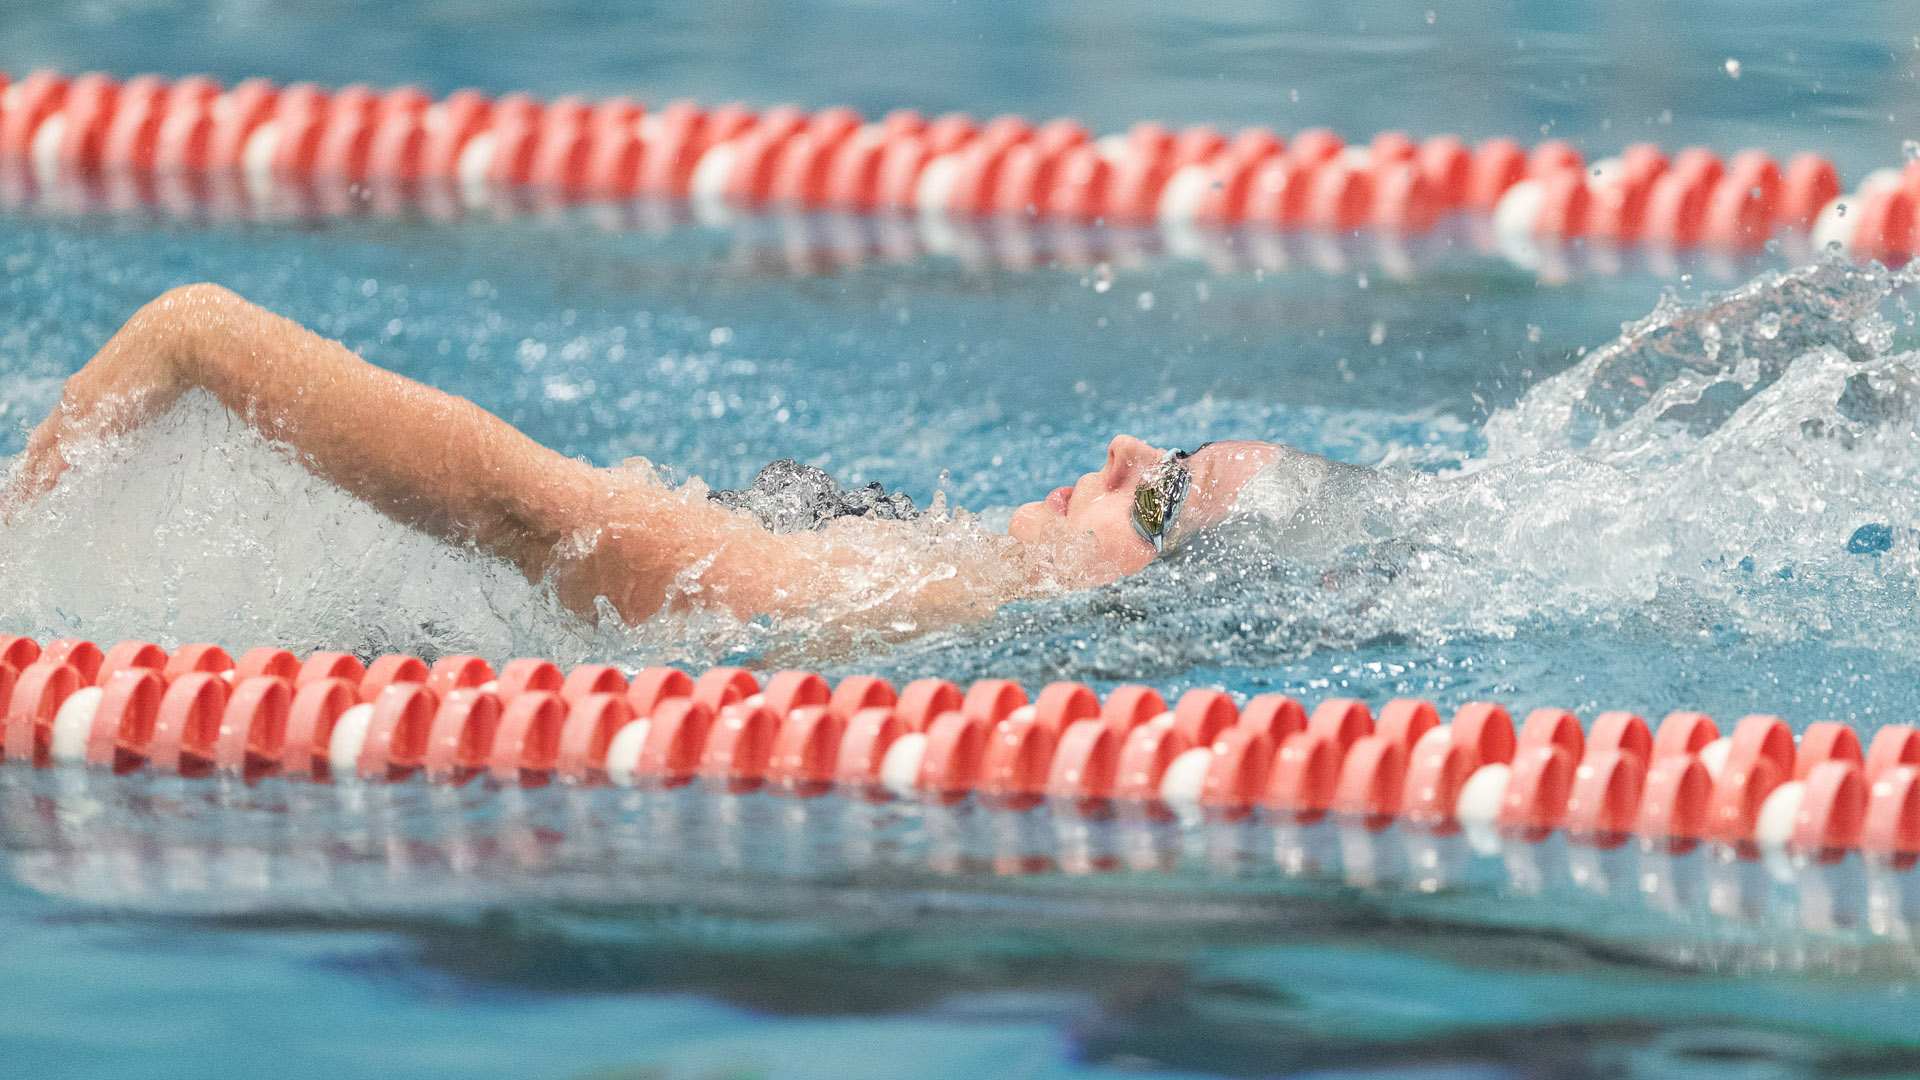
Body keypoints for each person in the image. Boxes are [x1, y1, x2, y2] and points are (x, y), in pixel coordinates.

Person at [9, 284, 1300, 630]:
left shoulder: (819, 604)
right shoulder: (927, 578)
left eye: (1164, 492)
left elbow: (515, 505)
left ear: (1135, 590)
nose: (1131, 448)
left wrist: (192, 335)